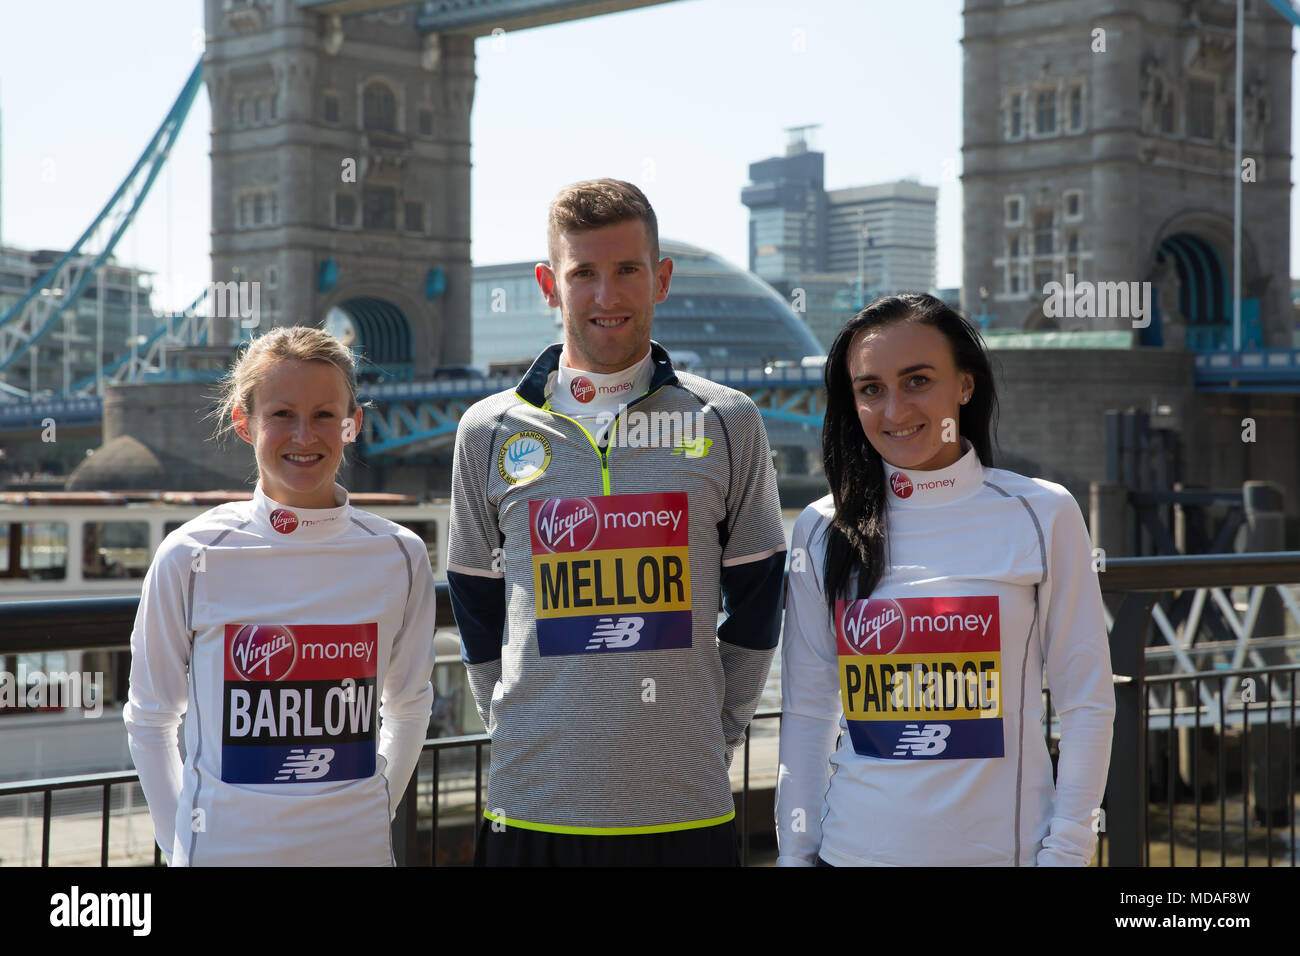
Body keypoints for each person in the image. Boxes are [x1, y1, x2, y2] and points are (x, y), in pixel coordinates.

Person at [447, 178, 787, 866]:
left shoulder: (727, 421)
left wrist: (711, 732)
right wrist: (519, 724)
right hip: (531, 806)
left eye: (627, 270)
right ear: (550, 285)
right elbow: (475, 609)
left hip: (685, 805)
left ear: (660, 279)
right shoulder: (485, 430)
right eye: (584, 274)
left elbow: (758, 605)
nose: (607, 296)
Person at [775, 293, 1115, 866]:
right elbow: (809, 713)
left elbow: (1086, 702)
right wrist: (794, 855)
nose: (894, 410)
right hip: (851, 853)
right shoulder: (820, 529)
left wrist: (1068, 851)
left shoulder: (1043, 512)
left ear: (965, 385)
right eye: (871, 390)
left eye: (917, 380)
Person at [123, 326, 435, 866]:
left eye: (323, 415)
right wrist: (181, 845)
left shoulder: (401, 555)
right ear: (245, 423)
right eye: (282, 414)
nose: (304, 435)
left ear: (352, 424)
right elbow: (151, 719)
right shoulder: (189, 555)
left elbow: (408, 707)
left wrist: (370, 811)